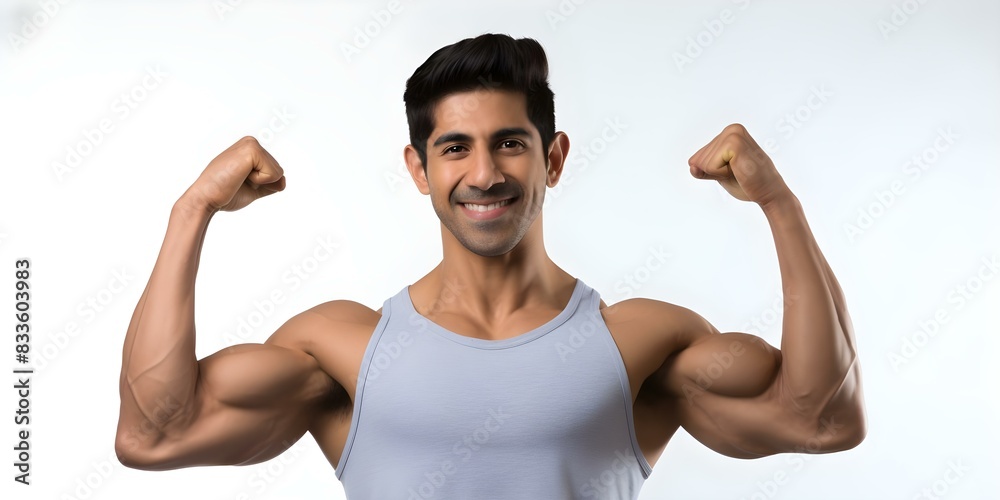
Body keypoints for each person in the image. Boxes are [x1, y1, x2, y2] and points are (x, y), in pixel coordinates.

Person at [115, 33, 866, 499]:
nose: (484, 174)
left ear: (553, 158)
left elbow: (822, 417)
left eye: (510, 143)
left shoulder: (639, 344)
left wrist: (779, 204)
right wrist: (192, 210)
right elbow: (152, 433)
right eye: (455, 148)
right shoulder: (343, 350)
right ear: (419, 169)